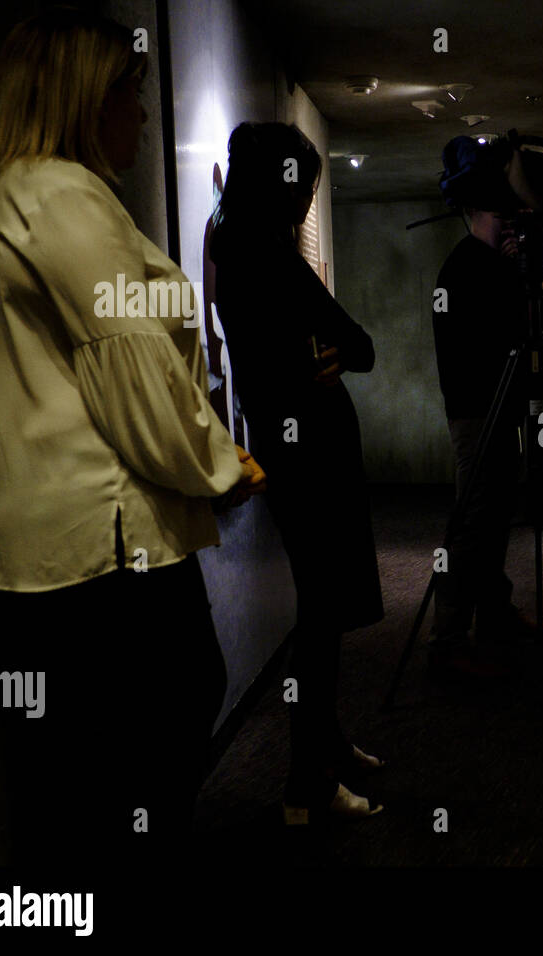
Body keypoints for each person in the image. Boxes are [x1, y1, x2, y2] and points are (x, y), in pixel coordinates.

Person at [0, 8, 266, 866]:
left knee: (78, 778)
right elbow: (130, 367)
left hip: (53, 557)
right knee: (144, 753)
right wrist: (217, 465)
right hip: (109, 551)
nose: (139, 116)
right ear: (86, 98)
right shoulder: (60, 193)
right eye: (129, 95)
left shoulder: (4, 201)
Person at [211, 122, 386, 823]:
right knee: (320, 619)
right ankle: (304, 784)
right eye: (302, 186)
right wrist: (326, 354)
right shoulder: (269, 256)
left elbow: (342, 348)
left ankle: (325, 752)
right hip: (312, 454)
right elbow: (363, 346)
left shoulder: (235, 246)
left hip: (292, 451)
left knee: (322, 613)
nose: (308, 201)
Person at [429, 199, 543, 677]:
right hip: (476, 412)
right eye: (504, 214)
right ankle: (447, 639)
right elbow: (492, 328)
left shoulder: (502, 266)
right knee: (472, 522)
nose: (513, 224)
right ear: (480, 213)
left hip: (502, 410)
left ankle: (494, 617)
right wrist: (513, 275)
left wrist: (528, 275)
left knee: (495, 516)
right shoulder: (466, 266)